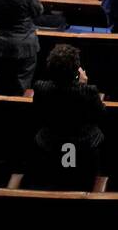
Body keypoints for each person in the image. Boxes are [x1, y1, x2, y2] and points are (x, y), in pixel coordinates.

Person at [29, 44, 106, 190]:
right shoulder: (88, 91)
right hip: (85, 147)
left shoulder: (40, 88)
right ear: (76, 72)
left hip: (49, 143)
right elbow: (100, 114)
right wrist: (83, 85)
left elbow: (37, 113)